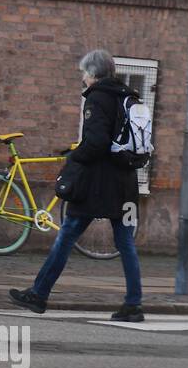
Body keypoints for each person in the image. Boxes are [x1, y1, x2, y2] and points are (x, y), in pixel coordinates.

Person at [8, 49, 145, 322]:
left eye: (85, 72)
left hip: (97, 183)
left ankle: (39, 293)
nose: (83, 77)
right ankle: (133, 304)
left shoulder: (97, 98)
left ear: (93, 74)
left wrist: (73, 158)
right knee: (125, 243)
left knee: (67, 234)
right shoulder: (127, 97)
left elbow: (95, 143)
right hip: (126, 181)